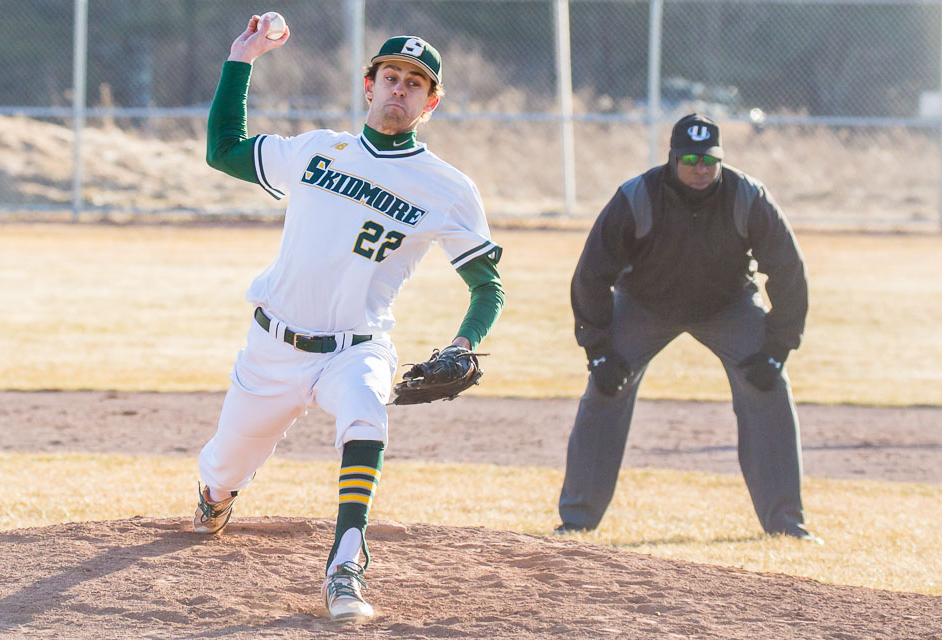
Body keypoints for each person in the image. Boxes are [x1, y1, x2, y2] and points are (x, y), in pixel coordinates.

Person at [193, 15, 504, 623]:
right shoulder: (316, 150)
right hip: (273, 348)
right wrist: (241, 60)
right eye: (391, 77)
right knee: (223, 471)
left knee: (367, 407)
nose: (400, 90)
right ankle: (216, 495)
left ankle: (346, 562)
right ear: (369, 85)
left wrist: (466, 341)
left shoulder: (448, 188)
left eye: (415, 84)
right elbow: (223, 151)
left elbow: (485, 284)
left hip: (356, 346)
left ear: (430, 102)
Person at [556, 113, 817, 543]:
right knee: (605, 388)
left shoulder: (747, 196)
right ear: (673, 158)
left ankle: (787, 524)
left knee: (768, 387)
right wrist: (598, 349)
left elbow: (788, 271)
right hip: (644, 304)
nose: (701, 169)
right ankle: (577, 520)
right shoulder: (637, 194)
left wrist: (778, 347)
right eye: (691, 159)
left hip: (728, 305)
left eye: (710, 160)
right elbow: (591, 274)